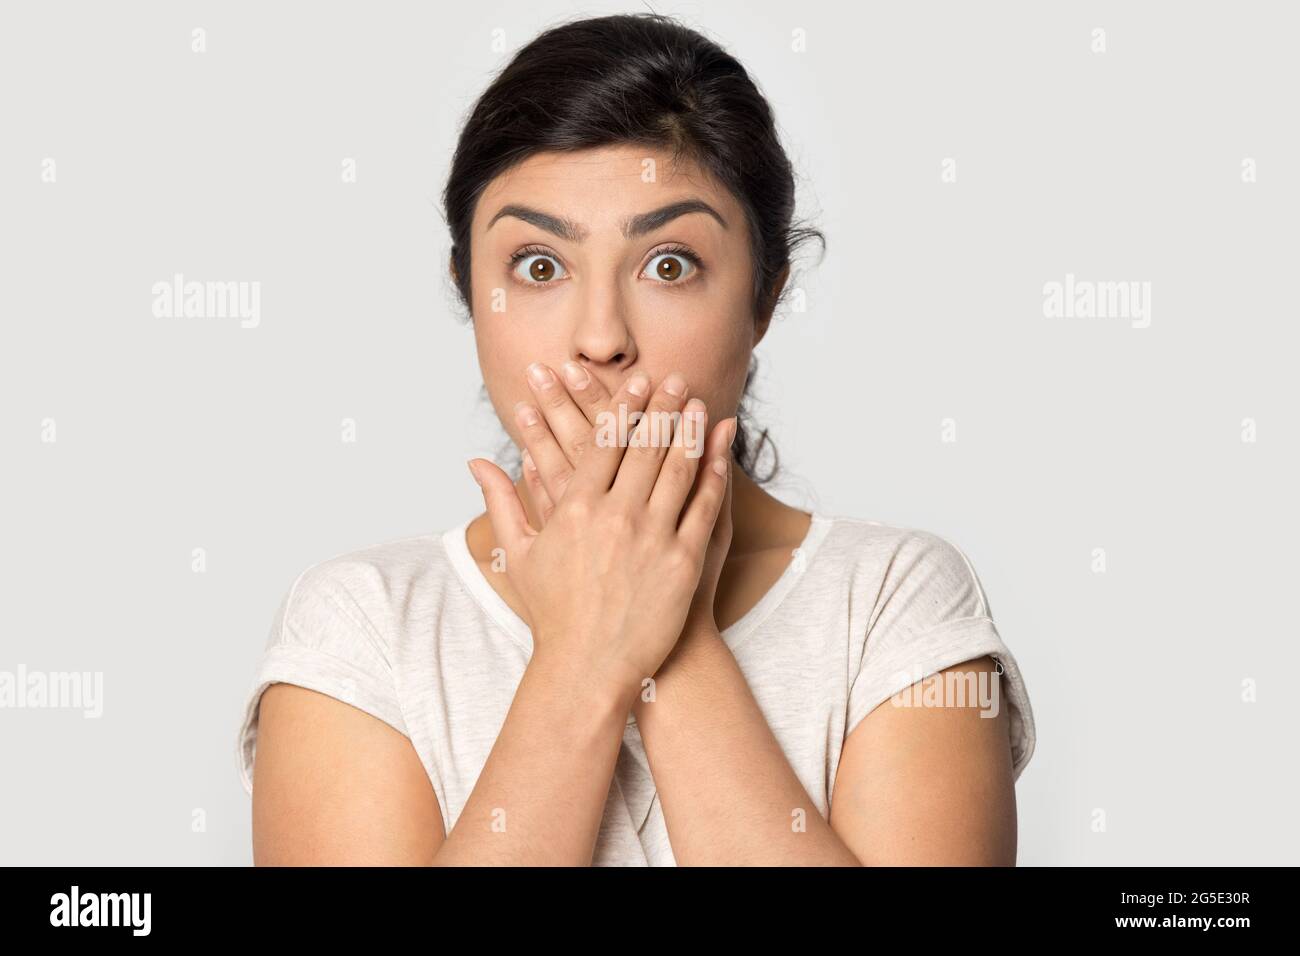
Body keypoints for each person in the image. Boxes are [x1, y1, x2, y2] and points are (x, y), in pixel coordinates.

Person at [236, 12, 1036, 866]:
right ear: (470, 291)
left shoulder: (893, 605)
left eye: (669, 264)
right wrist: (584, 656)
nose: (602, 338)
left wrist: (670, 628)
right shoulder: (361, 628)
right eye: (538, 266)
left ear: (765, 299)